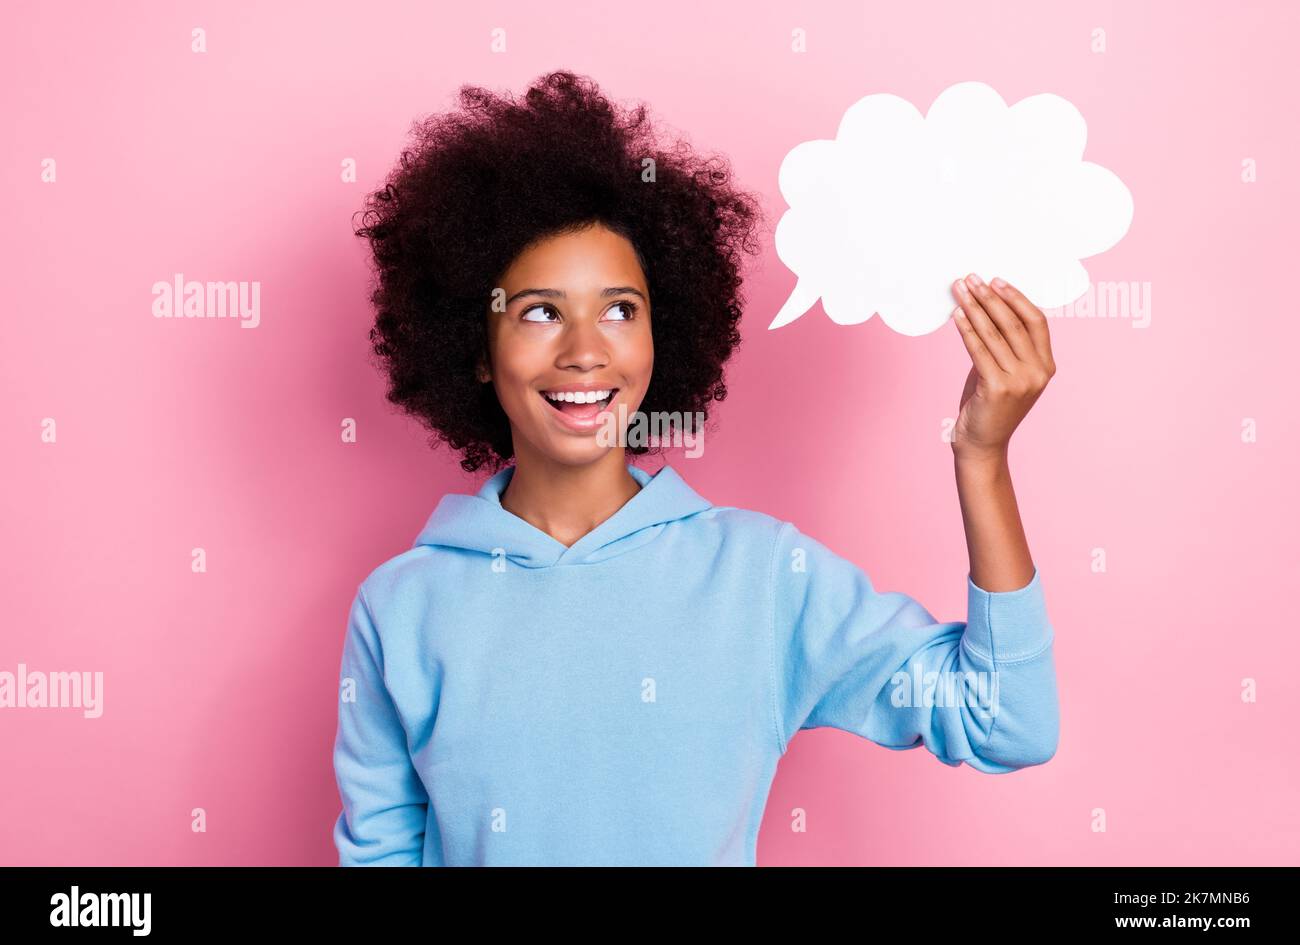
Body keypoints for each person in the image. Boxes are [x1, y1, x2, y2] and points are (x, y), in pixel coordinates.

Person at [332, 70, 1060, 866]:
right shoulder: (400, 608)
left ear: (661, 335)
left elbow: (1007, 721)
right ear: (475, 348)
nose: (584, 350)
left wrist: (982, 458)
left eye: (620, 310)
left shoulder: (761, 577)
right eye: (540, 311)